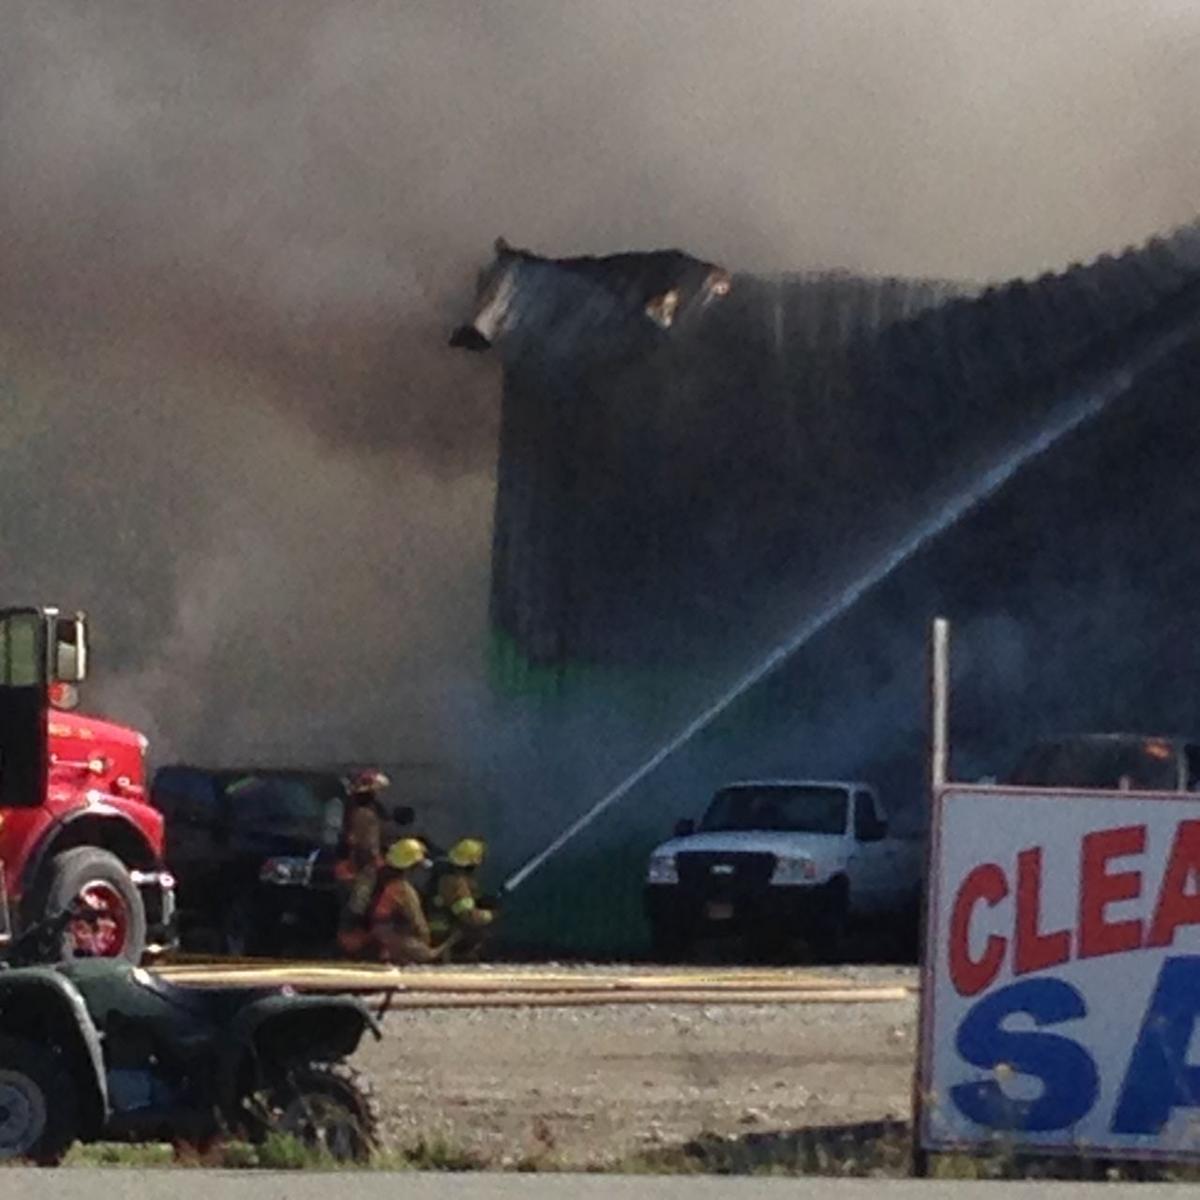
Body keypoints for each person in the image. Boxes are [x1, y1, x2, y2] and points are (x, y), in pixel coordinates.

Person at [369, 837, 456, 964]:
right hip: (388, 940)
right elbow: (418, 923)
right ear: (411, 867)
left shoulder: (381, 880)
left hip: (376, 936)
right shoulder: (404, 891)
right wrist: (424, 945)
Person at [334, 769, 390, 956]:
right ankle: (350, 950)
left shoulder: (354, 811)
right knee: (358, 908)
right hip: (359, 870)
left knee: (357, 908)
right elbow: (367, 846)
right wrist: (378, 863)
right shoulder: (365, 815)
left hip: (354, 869)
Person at [426, 837, 497, 961]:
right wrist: (491, 914)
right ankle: (460, 957)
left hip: (437, 929)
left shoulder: (446, 876)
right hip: (444, 934)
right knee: (479, 932)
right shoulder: (456, 884)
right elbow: (468, 916)